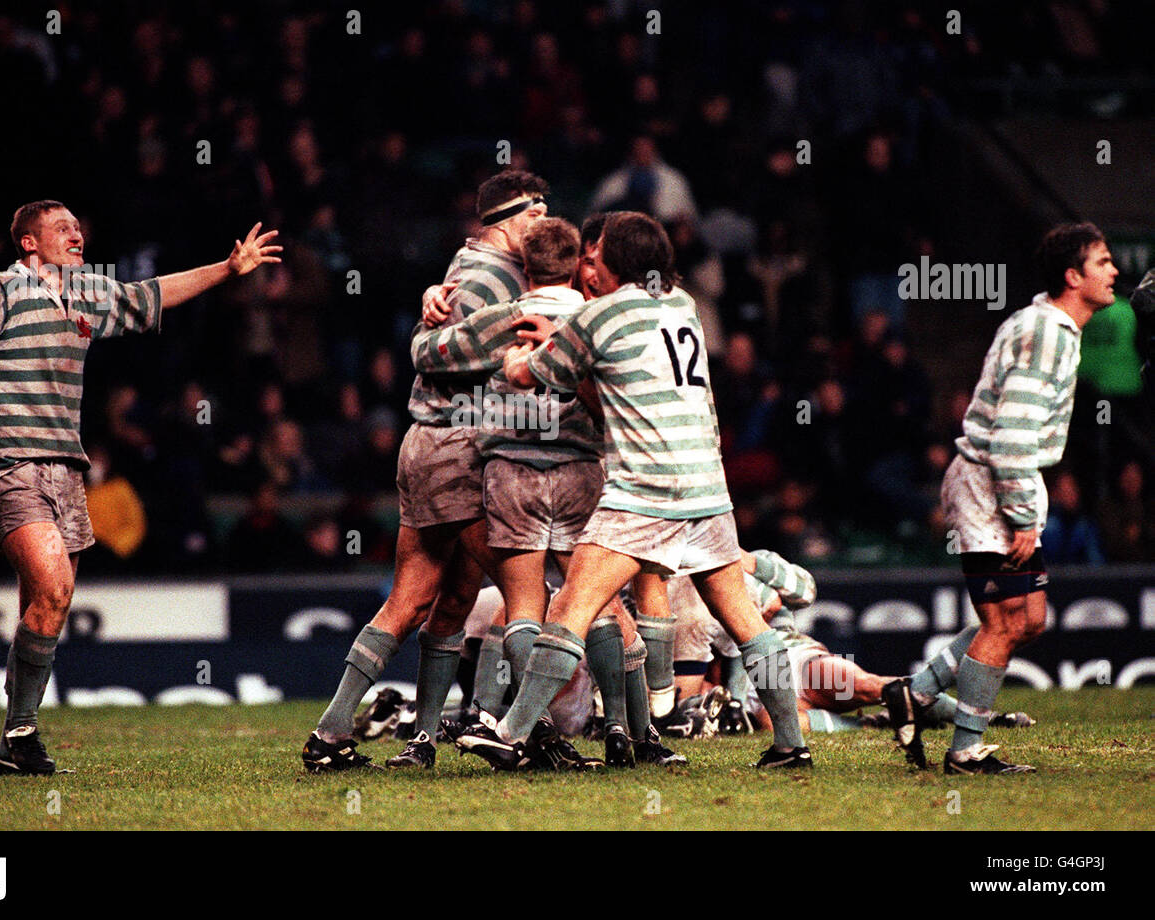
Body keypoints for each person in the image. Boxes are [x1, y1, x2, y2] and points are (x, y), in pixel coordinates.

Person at [454, 211, 811, 770]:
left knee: (572, 604)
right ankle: (792, 744)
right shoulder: (683, 305)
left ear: (615, 262)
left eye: (595, 256)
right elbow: (611, 380)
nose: (587, 265)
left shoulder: (601, 315)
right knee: (745, 621)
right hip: (706, 485)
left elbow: (530, 377)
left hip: (645, 489)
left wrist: (518, 353)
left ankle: (513, 731)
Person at [0, 202, 281, 775]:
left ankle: (14, 743)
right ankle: (21, 733)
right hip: (10, 466)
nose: (77, 234)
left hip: (68, 472)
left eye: (78, 226)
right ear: (28, 243)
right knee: (53, 589)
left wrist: (226, 268)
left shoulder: (87, 293)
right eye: (62, 228)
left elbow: (152, 294)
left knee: (43, 602)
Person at [301, 170, 550, 773]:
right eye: (536, 214)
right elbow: (434, 354)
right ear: (508, 219)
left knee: (430, 599)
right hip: (456, 446)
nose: (543, 224)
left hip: (434, 444)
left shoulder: (477, 272)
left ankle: (348, 737)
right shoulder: (487, 277)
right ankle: (530, 734)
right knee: (527, 595)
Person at [883, 222, 1116, 774]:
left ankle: (914, 694)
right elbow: (1012, 433)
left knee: (1029, 619)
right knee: (1003, 623)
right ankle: (964, 751)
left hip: (1003, 477)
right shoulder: (1051, 331)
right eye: (1103, 261)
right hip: (991, 480)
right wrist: (1023, 517)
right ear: (1072, 275)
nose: (1114, 272)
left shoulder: (1049, 323)